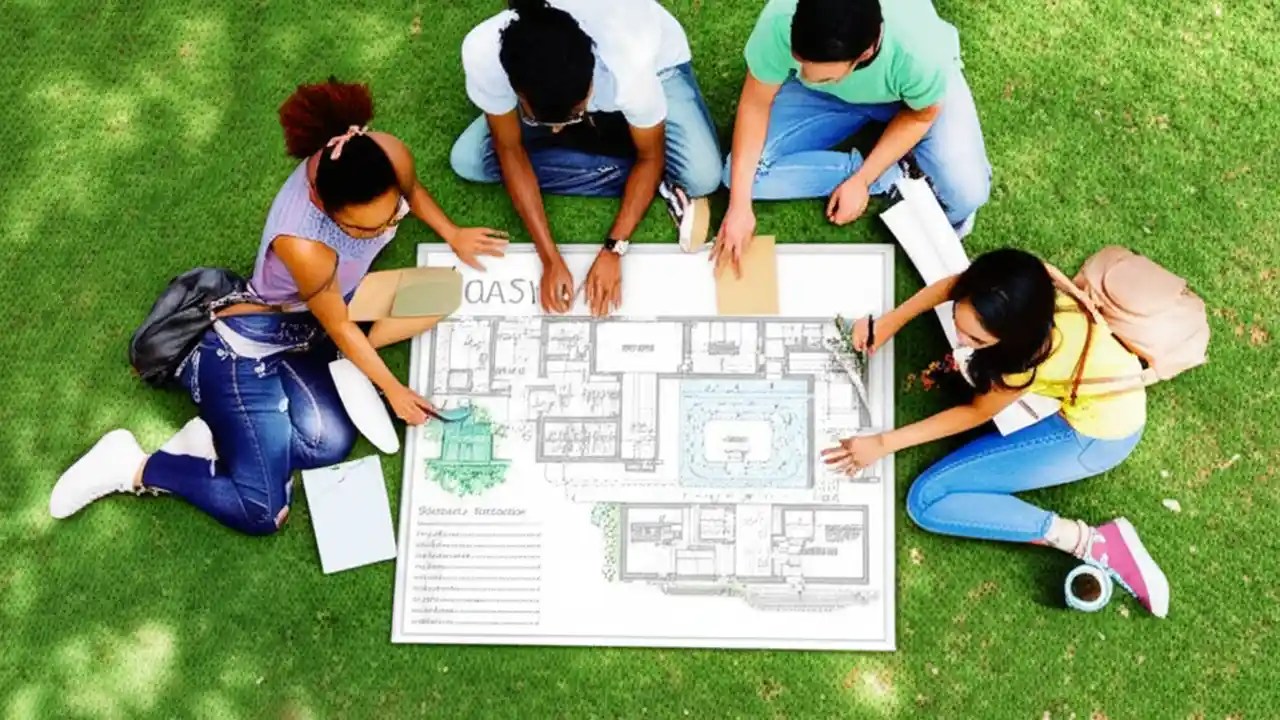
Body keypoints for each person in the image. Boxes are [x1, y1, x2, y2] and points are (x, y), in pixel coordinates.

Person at [48, 78, 506, 535]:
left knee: (332, 438)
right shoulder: (305, 246)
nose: (388, 228)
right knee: (264, 511)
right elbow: (340, 325)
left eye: (392, 215)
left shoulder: (384, 154)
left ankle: (222, 436)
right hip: (248, 348)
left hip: (312, 323)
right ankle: (136, 466)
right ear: (322, 205)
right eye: (366, 229)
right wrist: (393, 391)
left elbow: (413, 192)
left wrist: (452, 233)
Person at [823, 248, 1170, 617]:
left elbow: (973, 414)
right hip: (1095, 393)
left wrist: (881, 443)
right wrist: (890, 322)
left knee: (928, 500)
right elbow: (952, 288)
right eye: (960, 323)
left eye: (976, 340)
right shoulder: (1020, 284)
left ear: (1010, 342)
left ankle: (1089, 541)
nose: (958, 338)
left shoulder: (1027, 358)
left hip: (1097, 436)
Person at [451, 0, 722, 317]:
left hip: (658, 69)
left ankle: (645, 170)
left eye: (573, 116)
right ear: (519, 93)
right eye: (539, 120)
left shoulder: (630, 64)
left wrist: (614, 248)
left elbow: (651, 154)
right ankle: (650, 178)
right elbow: (508, 149)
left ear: (592, 83)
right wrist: (549, 257)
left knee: (703, 176)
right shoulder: (485, 53)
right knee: (469, 160)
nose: (554, 132)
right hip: (565, 90)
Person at [714, 0, 991, 276]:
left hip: (909, 99)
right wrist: (739, 206)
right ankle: (896, 174)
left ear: (866, 52)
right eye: (799, 64)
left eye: (821, 76)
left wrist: (863, 180)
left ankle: (891, 168)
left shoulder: (920, 54)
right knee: (740, 176)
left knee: (966, 194)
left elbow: (921, 115)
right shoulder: (781, 19)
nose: (804, 74)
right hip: (828, 99)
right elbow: (755, 103)